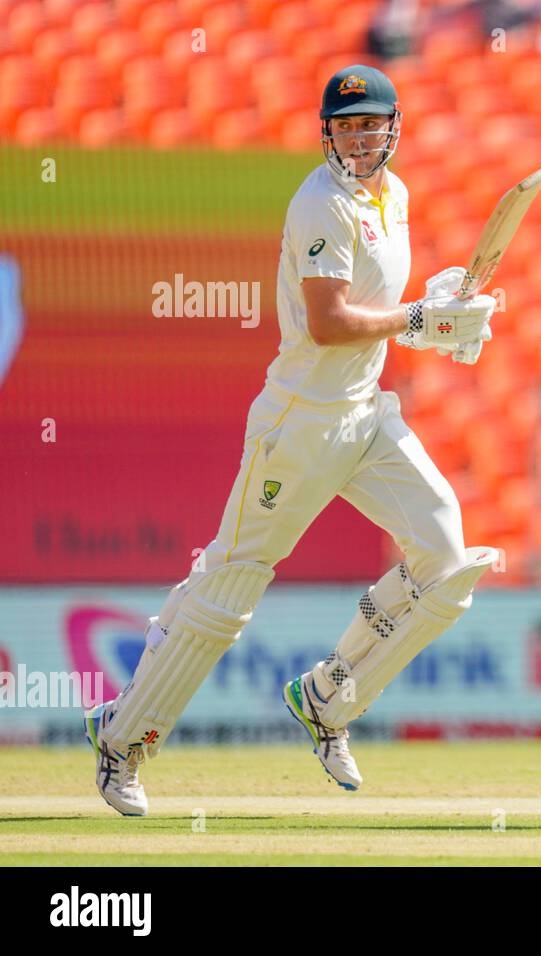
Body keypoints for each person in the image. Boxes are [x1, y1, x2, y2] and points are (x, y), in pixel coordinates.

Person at [83, 65, 500, 816]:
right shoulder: (319, 203)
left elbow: (382, 308)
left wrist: (445, 309)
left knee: (444, 555)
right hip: (301, 421)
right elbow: (328, 322)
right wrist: (418, 321)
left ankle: (329, 697)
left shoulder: (395, 196)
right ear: (327, 134)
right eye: (346, 127)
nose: (360, 138)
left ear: (394, 127)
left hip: (366, 413)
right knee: (232, 583)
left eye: (371, 124)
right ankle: (122, 738)